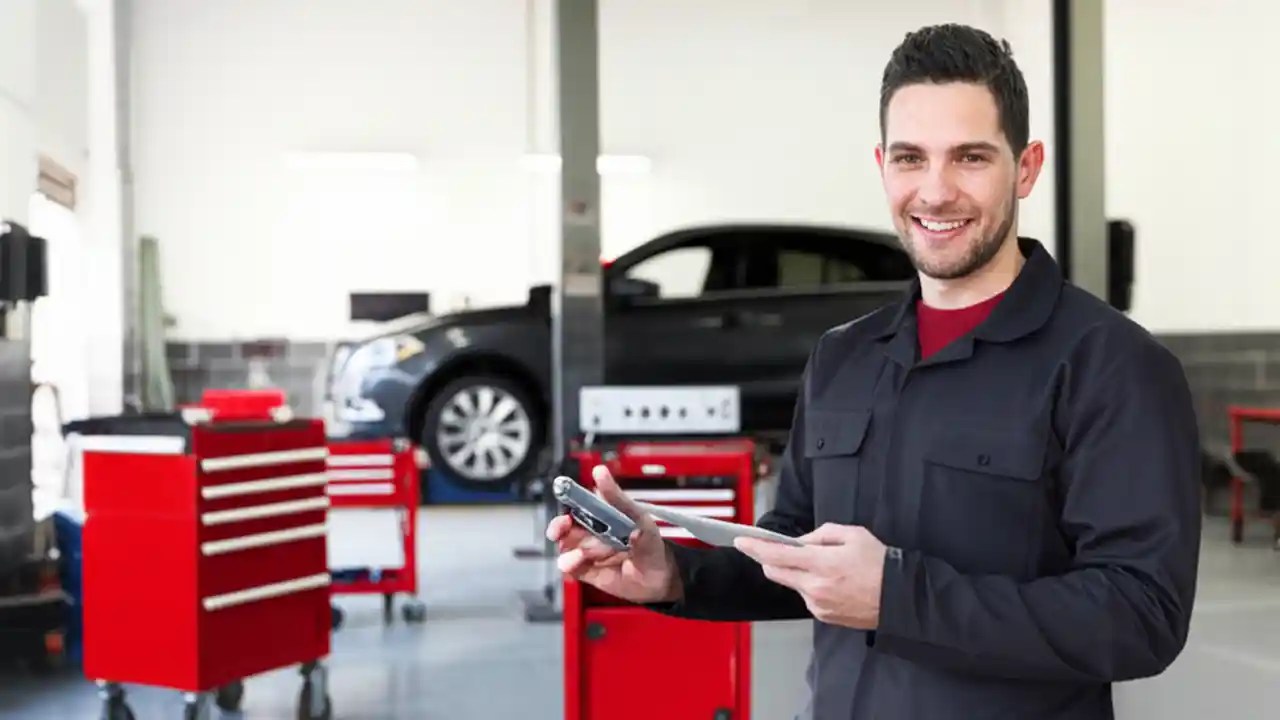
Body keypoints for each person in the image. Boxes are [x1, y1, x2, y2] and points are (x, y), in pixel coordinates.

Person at [547, 22, 1201, 720]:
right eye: (911, 158)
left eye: (971, 158)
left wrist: (897, 596)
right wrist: (674, 572)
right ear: (883, 164)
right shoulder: (844, 357)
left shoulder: (1113, 367)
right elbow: (797, 550)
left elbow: (1140, 616)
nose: (936, 191)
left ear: (1028, 167)